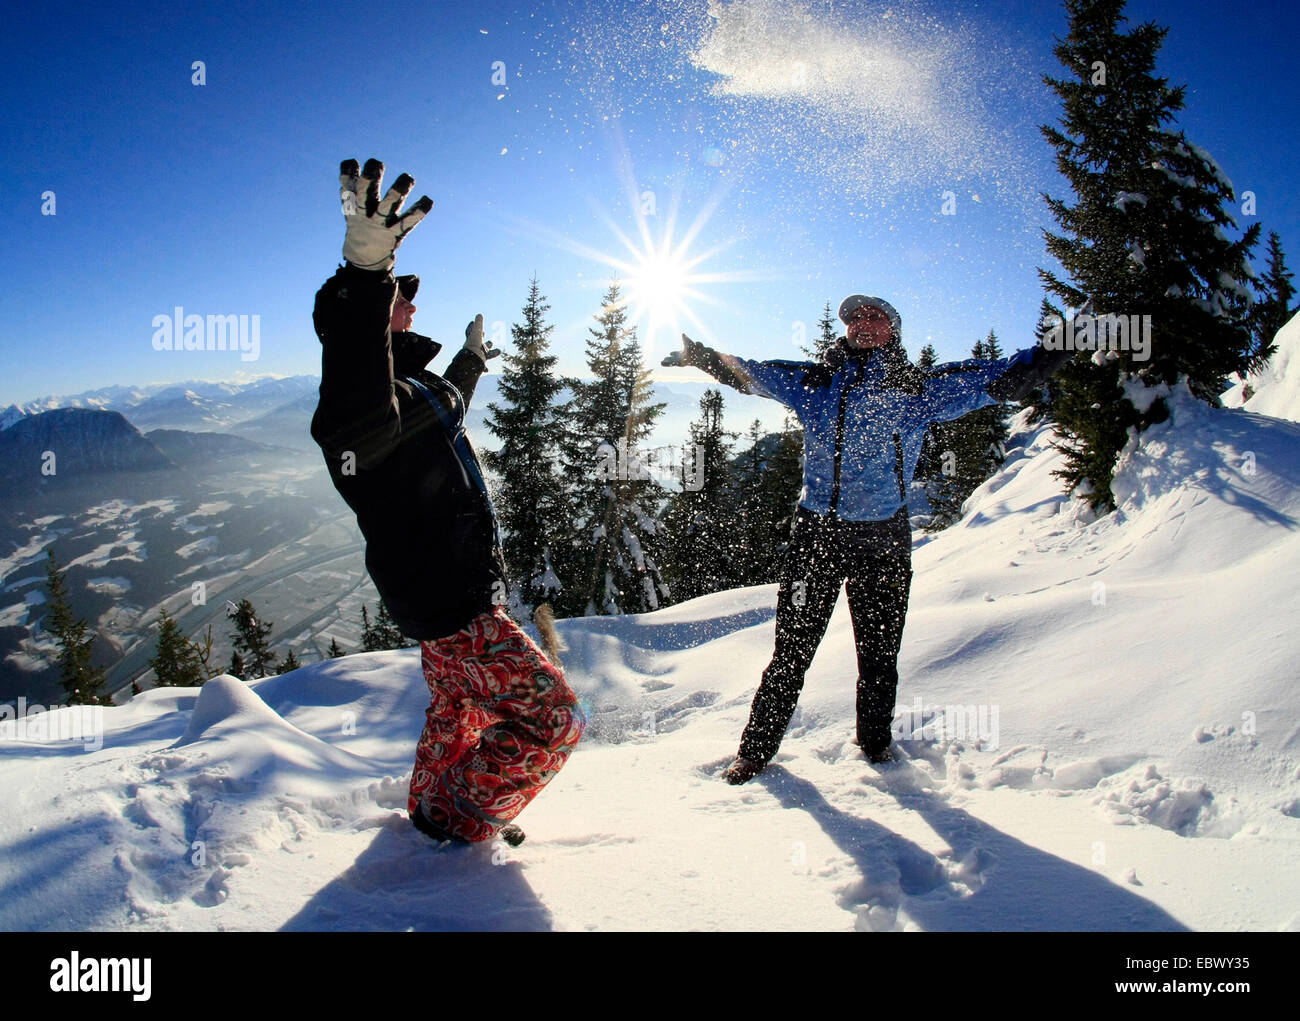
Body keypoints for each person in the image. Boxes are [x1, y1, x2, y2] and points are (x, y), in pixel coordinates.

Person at [662, 295, 1072, 784]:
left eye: (875, 316)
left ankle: (876, 747)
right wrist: (702, 357)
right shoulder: (816, 381)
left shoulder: (919, 388)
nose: (863, 324)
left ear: (894, 330)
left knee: (879, 655)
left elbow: (1006, 375)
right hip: (816, 534)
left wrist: (1067, 343)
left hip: (885, 538)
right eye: (855, 318)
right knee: (791, 652)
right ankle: (754, 752)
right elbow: (752, 373)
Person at [310, 157, 585, 844]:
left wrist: (471, 360)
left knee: (457, 708)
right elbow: (355, 383)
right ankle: (456, 817)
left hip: (447, 603)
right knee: (555, 718)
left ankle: (428, 806)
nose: (410, 300)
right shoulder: (360, 407)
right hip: (453, 605)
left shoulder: (419, 387)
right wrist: (364, 277)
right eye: (400, 294)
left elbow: (451, 403)